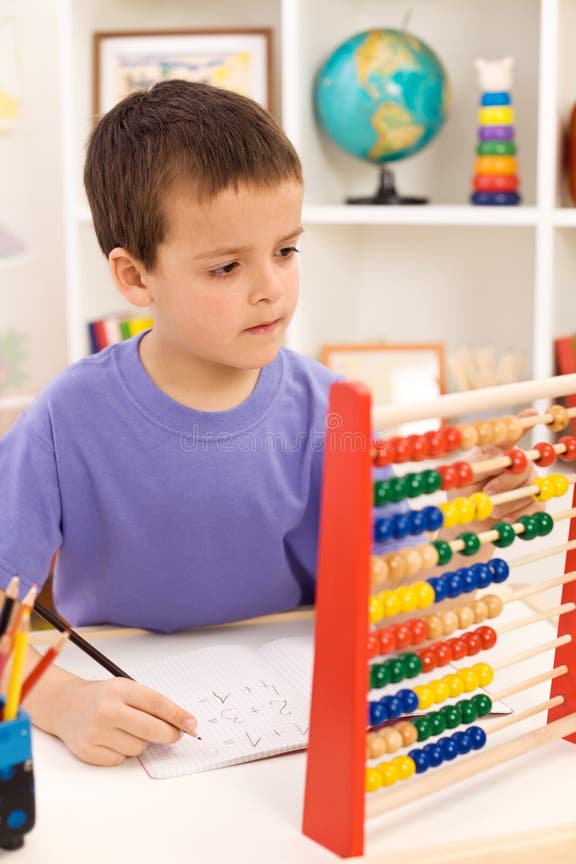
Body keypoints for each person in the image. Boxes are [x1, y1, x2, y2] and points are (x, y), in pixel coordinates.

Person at [0, 80, 538, 766]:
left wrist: (461, 530)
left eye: (286, 250)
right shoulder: (63, 421)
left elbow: (389, 567)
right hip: (125, 713)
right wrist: (56, 700)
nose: (271, 288)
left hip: (297, 718)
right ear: (136, 279)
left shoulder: (336, 413)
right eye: (225, 267)